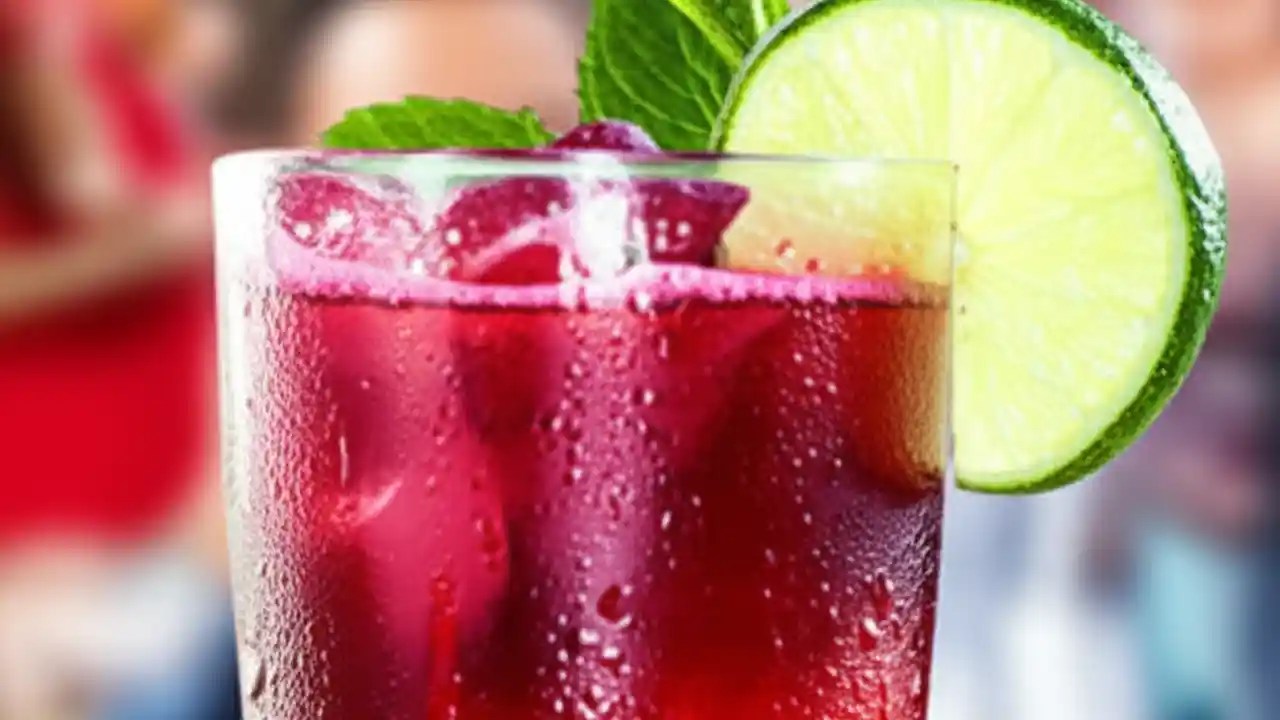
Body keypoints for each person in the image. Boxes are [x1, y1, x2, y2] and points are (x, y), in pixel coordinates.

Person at [0, 0, 230, 716]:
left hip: (138, 549)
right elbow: (99, 195)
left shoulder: (69, 40)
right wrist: (163, 235)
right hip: (62, 557)